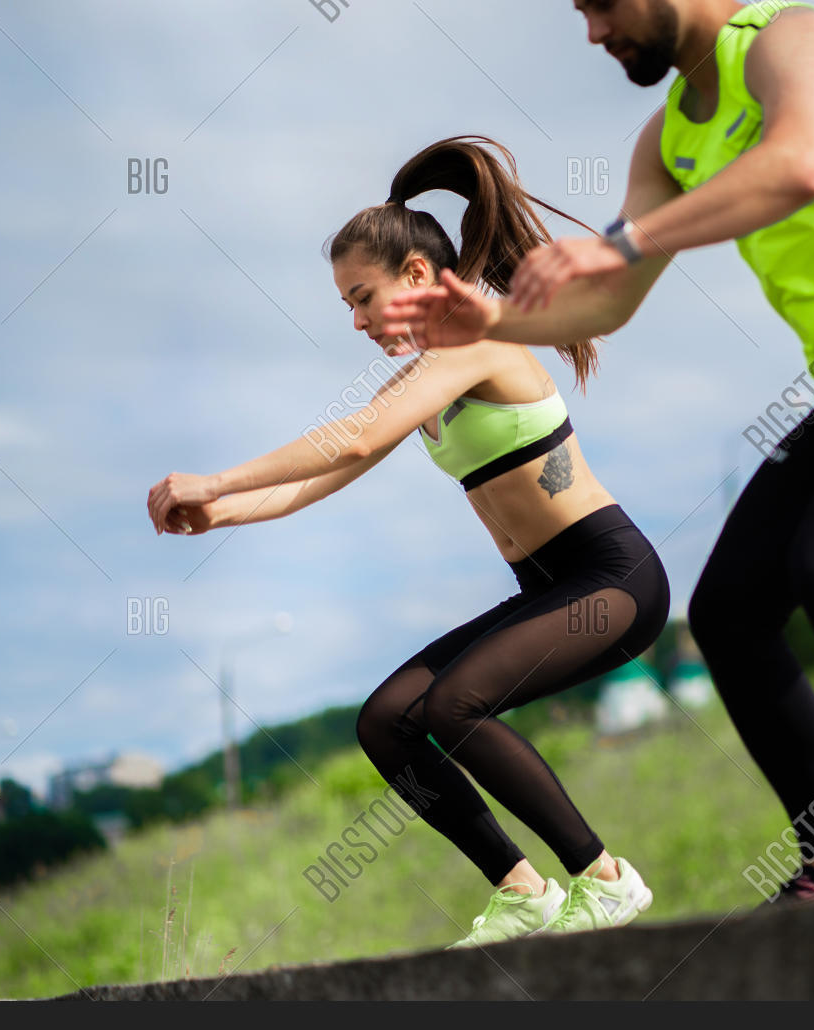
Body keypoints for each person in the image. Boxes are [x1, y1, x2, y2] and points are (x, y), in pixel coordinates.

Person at [379, 1, 814, 902]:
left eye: (602, 3)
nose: (593, 32)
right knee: (729, 611)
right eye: (579, 12)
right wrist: (493, 319)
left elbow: (799, 165)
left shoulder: (790, 39)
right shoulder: (669, 139)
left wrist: (626, 238)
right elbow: (610, 301)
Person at [145, 136, 668, 945]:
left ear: (418, 274)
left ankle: (605, 879)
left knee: (456, 703)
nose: (356, 321)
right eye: (347, 306)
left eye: (363, 297)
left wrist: (214, 479)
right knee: (387, 719)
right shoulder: (427, 376)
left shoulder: (479, 344)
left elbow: (353, 436)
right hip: (549, 590)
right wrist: (225, 513)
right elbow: (329, 472)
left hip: (612, 580)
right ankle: (522, 892)